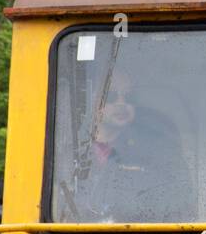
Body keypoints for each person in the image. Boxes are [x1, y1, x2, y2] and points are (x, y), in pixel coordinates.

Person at [61, 69, 191, 222]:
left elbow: (181, 198)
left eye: (129, 98)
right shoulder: (68, 152)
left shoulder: (157, 149)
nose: (121, 104)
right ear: (91, 99)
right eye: (111, 96)